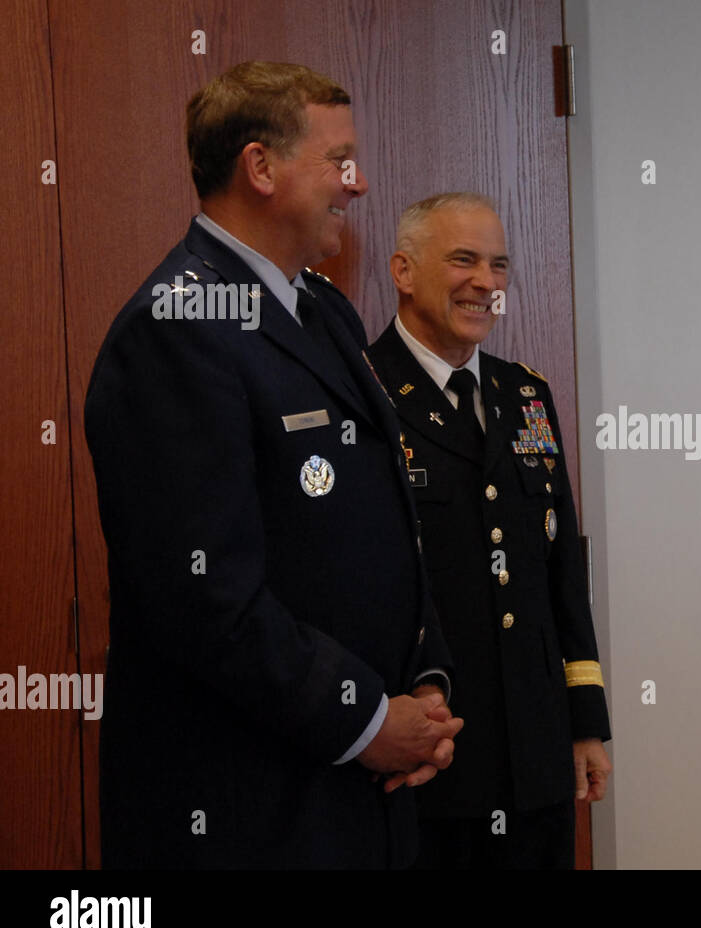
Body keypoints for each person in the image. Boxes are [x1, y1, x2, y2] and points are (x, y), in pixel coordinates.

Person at [85, 61, 463, 869]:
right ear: (260, 167)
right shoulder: (176, 329)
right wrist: (367, 721)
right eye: (338, 161)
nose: (356, 186)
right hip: (249, 816)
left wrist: (424, 685)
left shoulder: (319, 306)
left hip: (358, 801)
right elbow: (204, 600)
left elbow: (386, 524)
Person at [366, 193, 612, 869]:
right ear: (404, 270)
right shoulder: (361, 393)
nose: (486, 282)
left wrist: (585, 720)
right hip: (429, 754)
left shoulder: (525, 395)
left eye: (499, 265)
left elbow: (564, 569)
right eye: (464, 260)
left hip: (535, 752)